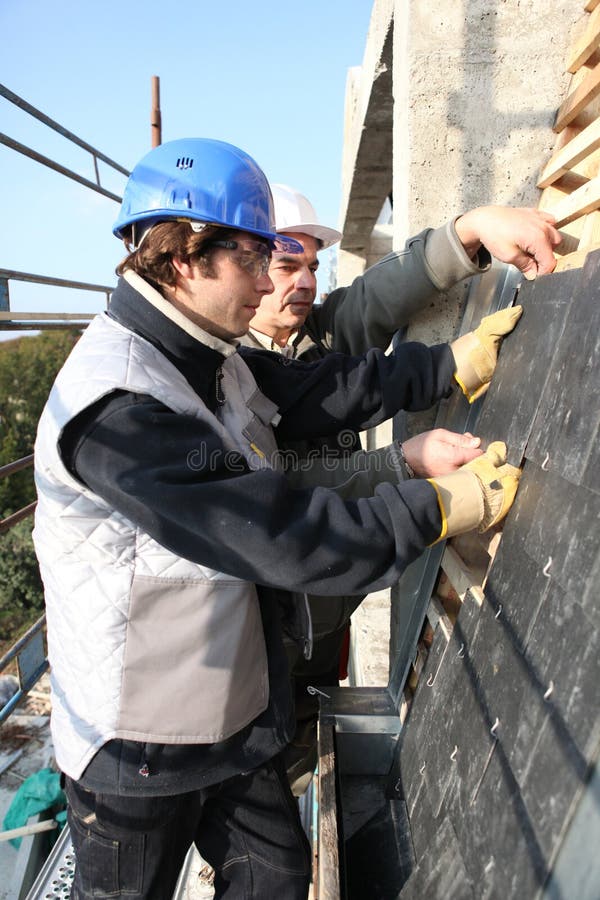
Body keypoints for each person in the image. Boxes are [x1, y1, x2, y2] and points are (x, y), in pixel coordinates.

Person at [33, 138, 522, 900]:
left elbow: (312, 391)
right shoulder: (118, 408)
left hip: (231, 708)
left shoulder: (207, 355)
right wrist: (432, 505)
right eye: (257, 259)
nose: (270, 282)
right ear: (189, 255)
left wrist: (445, 366)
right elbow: (281, 533)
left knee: (276, 876)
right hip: (139, 745)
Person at [241, 183, 562, 794]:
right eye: (288, 265)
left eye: (313, 265)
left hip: (324, 620)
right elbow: (276, 493)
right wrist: (401, 465)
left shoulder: (313, 338)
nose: (304, 282)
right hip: (265, 642)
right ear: (248, 267)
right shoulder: (225, 376)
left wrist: (469, 230)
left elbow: (378, 297)